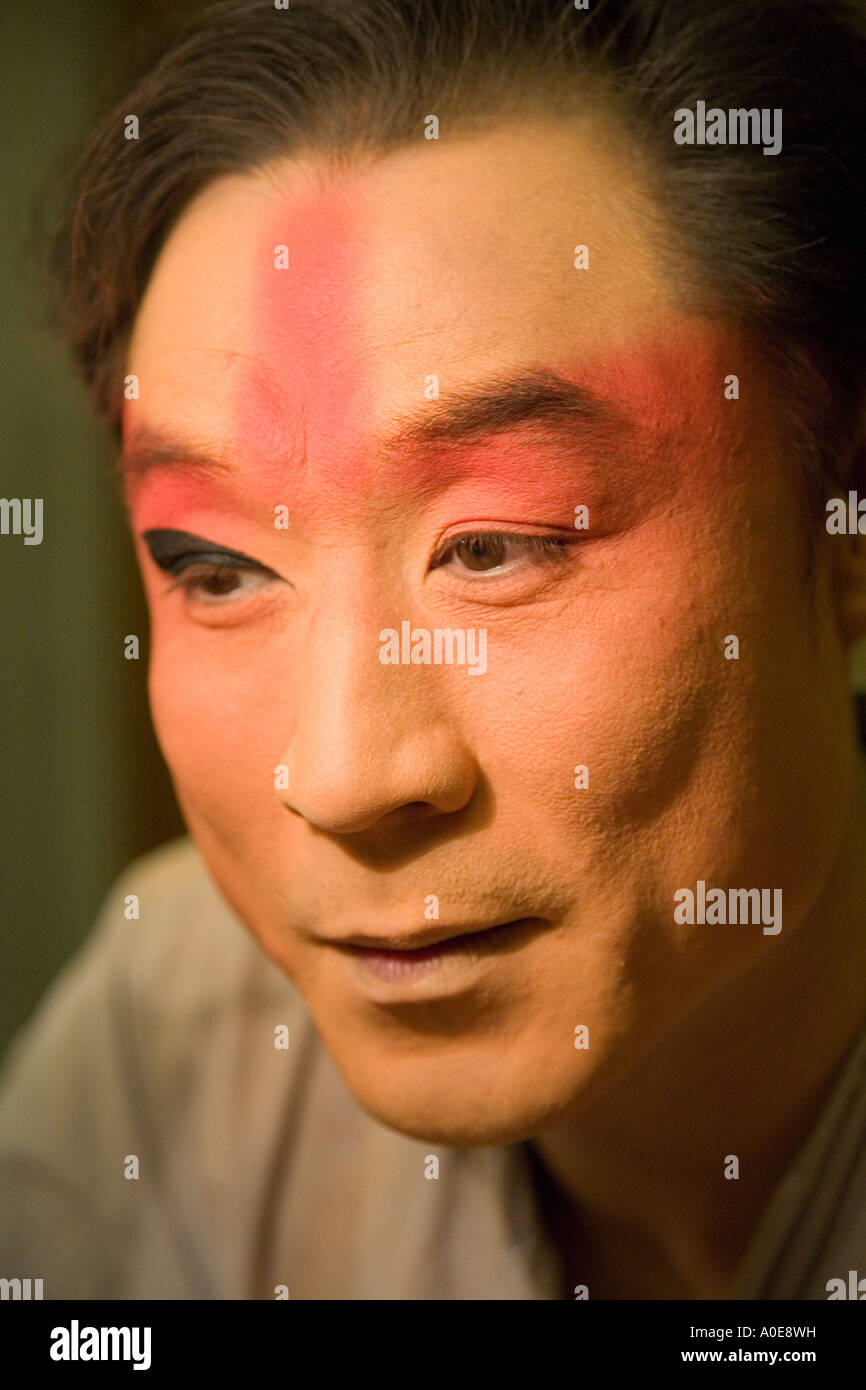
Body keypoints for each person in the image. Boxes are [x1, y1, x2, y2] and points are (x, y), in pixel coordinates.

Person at [2, 0, 866, 1301]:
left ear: (843, 521)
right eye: (217, 567)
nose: (344, 776)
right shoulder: (178, 1036)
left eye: (497, 544)